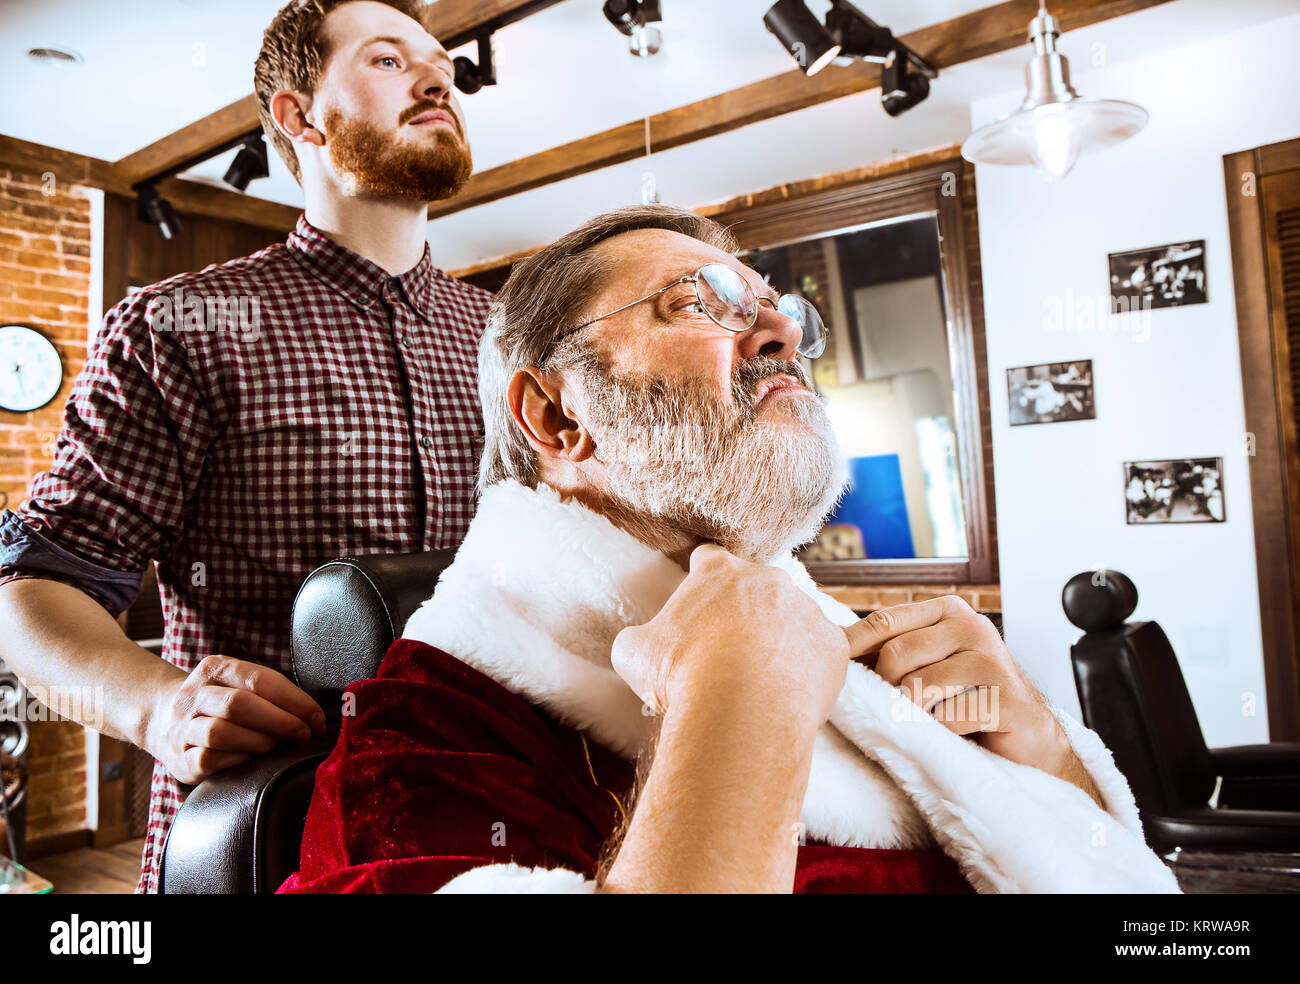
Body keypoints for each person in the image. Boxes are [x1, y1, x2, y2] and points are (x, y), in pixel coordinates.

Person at [277, 204, 1180, 894]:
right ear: (556, 414)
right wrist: (739, 702)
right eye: (700, 303)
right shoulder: (419, 746)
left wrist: (1046, 753)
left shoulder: (854, 644)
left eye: (784, 313)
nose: (785, 333)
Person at [0, 0, 490, 893]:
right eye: (388, 60)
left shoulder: (510, 342)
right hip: (260, 842)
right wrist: (158, 707)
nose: (437, 78)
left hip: (486, 832)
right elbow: (37, 589)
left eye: (442, 64)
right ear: (298, 116)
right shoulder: (179, 326)